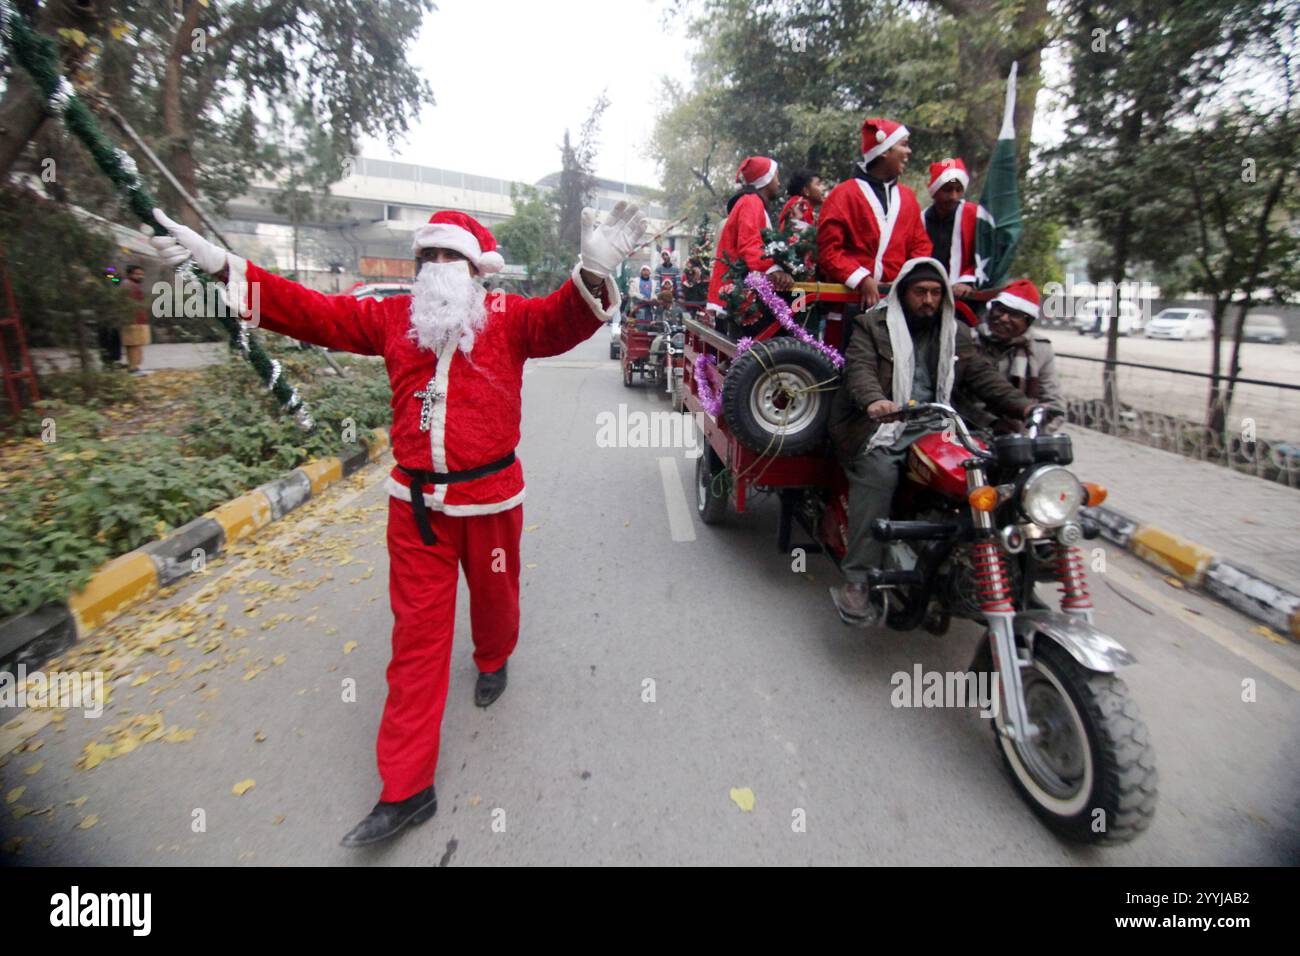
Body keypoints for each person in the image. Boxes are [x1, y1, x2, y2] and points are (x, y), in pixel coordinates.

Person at [148, 201, 648, 846]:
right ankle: (406, 790)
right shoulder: (391, 319)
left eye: (451, 257)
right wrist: (219, 264)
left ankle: (493, 658)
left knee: (495, 598)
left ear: (477, 271)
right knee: (415, 640)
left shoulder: (509, 319)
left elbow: (562, 322)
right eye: (428, 257)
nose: (438, 268)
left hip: (491, 502)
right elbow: (307, 310)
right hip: (415, 512)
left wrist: (593, 270)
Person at [826, 258, 1036, 626]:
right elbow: (858, 369)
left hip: (936, 423)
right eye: (920, 292)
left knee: (990, 470)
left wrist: (1027, 407)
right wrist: (875, 401)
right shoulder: (871, 325)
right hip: (877, 425)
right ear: (904, 292)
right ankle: (858, 578)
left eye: (935, 293)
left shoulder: (955, 332)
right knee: (879, 475)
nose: (927, 300)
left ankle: (998, 568)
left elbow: (983, 377)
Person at [817, 117, 932, 311]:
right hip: (849, 299)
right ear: (885, 151)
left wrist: (909, 280)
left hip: (897, 300)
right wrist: (860, 278)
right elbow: (829, 251)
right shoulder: (843, 194)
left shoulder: (908, 197)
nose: (909, 152)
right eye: (903, 145)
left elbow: (920, 246)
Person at [952, 280, 1063, 433]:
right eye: (1000, 310)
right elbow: (954, 394)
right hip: (965, 428)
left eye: (1014, 314)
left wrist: (1032, 431)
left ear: (1028, 321)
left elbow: (1052, 403)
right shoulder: (967, 340)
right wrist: (990, 423)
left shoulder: (1039, 349)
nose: (1004, 318)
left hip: (1019, 434)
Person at [706, 156, 795, 321]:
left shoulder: (752, 202)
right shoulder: (751, 202)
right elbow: (749, 244)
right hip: (739, 293)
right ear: (766, 180)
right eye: (776, 176)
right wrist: (774, 270)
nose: (779, 183)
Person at [922, 159, 985, 300]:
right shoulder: (921, 219)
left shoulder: (974, 215)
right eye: (947, 190)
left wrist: (967, 280)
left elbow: (984, 255)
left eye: (958, 190)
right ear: (935, 190)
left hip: (965, 294)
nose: (953, 196)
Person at [121, 263, 151, 373]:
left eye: (142, 274)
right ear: (130, 274)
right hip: (133, 320)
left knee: (135, 344)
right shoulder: (128, 284)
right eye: (137, 274)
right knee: (134, 345)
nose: (140, 276)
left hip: (138, 320)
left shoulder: (133, 284)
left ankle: (134, 367)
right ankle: (133, 369)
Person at [778, 168, 825, 233]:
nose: (824, 188)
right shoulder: (799, 205)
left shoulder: (799, 205)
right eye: (818, 184)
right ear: (806, 191)